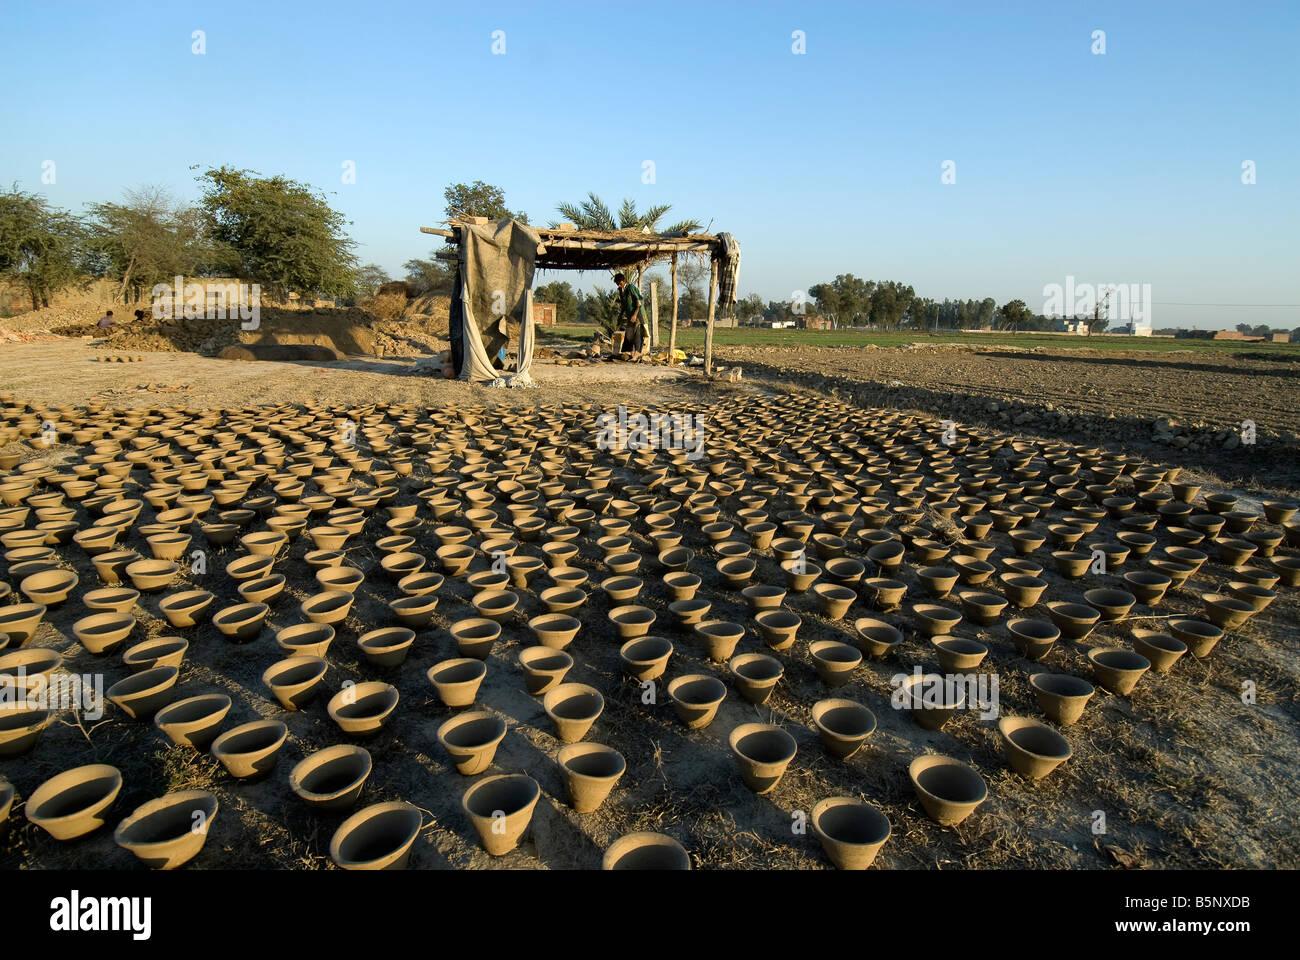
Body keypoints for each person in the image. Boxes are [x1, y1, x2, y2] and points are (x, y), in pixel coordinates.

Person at [613, 273, 646, 356]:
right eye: (617, 283)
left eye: (619, 283)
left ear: (624, 281)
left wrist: (635, 315)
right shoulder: (621, 290)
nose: (618, 285)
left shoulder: (631, 288)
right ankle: (628, 353)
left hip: (637, 315)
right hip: (629, 315)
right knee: (629, 333)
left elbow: (639, 302)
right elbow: (623, 305)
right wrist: (620, 316)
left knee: (637, 333)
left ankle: (638, 353)